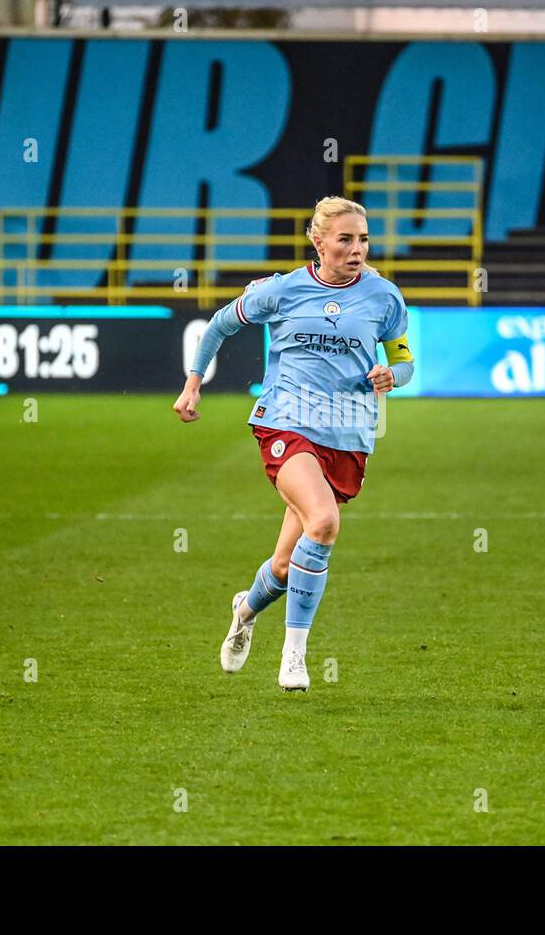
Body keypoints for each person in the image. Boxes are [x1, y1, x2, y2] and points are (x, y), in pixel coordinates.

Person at [172, 196, 415, 690]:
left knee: (286, 565)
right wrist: (193, 382)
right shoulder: (281, 291)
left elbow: (406, 359)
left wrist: (394, 373)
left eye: (363, 239)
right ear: (318, 240)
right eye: (345, 239)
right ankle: (294, 656)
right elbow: (221, 324)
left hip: (348, 434)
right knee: (324, 523)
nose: (356, 249)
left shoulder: (384, 298)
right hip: (285, 423)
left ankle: (244, 609)